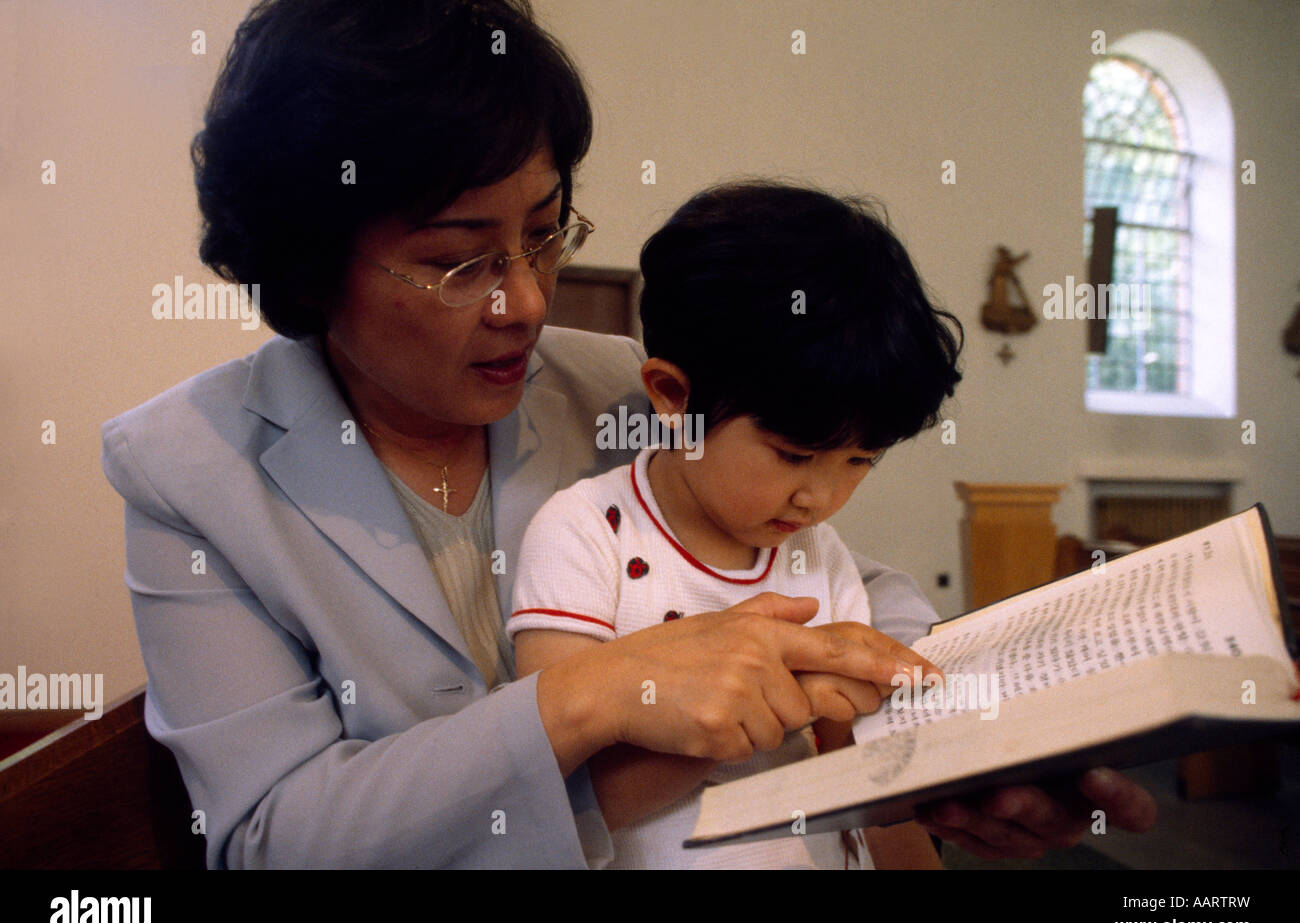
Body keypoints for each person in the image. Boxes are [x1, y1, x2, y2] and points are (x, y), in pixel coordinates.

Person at [99, 0, 1154, 869]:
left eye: (546, 229)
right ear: (309, 259)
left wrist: (974, 740)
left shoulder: (616, 388)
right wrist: (585, 699)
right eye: (460, 258)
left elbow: (844, 590)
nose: (522, 299)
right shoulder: (191, 471)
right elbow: (274, 838)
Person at [510, 180, 958, 868]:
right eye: (794, 455)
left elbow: (869, 788)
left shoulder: (823, 558)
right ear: (673, 397)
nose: (820, 496)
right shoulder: (584, 534)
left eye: (861, 460)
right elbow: (564, 801)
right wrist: (774, 708)